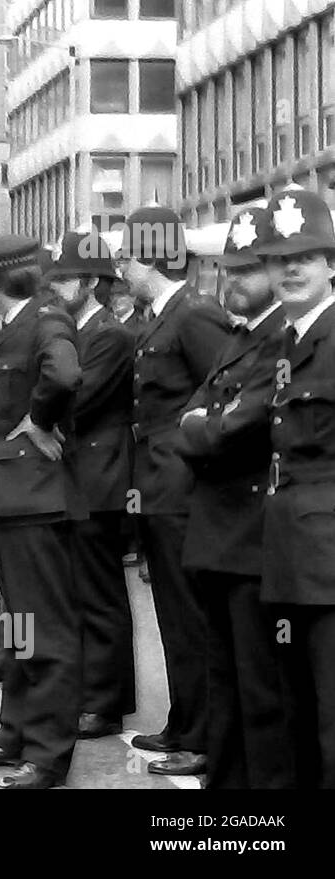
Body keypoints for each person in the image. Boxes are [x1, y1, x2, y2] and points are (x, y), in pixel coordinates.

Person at [172, 203, 298, 788]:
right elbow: (191, 416)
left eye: (246, 270)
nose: (232, 281)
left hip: (252, 537)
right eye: (227, 269)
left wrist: (202, 424)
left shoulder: (283, 337)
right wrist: (202, 424)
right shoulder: (240, 337)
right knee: (224, 680)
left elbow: (231, 427)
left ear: (276, 270)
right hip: (217, 534)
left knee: (261, 687)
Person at [0, 235, 82, 790]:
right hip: (11, 495)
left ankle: (47, 757)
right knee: (18, 623)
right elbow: (22, 387)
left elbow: (65, 376)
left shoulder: (45, 321)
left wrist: (39, 421)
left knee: (44, 631)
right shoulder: (14, 328)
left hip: (32, 497)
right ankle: (15, 735)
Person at [120, 203, 233, 778]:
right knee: (172, 612)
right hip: (160, 483)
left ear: (151, 258)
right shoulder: (162, 315)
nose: (119, 266)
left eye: (126, 255)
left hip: (185, 486)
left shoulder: (194, 315)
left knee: (195, 616)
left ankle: (207, 734)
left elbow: (222, 391)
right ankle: (184, 721)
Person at [45, 230, 137, 739]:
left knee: (100, 594)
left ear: (88, 281)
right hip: (77, 473)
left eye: (63, 279)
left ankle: (105, 702)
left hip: (100, 475)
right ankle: (87, 690)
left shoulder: (108, 335)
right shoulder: (79, 330)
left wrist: (36, 411)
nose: (56, 288)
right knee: (78, 589)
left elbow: (80, 400)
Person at [258, 186, 335, 788]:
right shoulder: (287, 340)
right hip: (291, 557)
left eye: (303, 258)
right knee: (300, 717)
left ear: (330, 262)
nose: (290, 269)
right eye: (279, 260)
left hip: (330, 564)